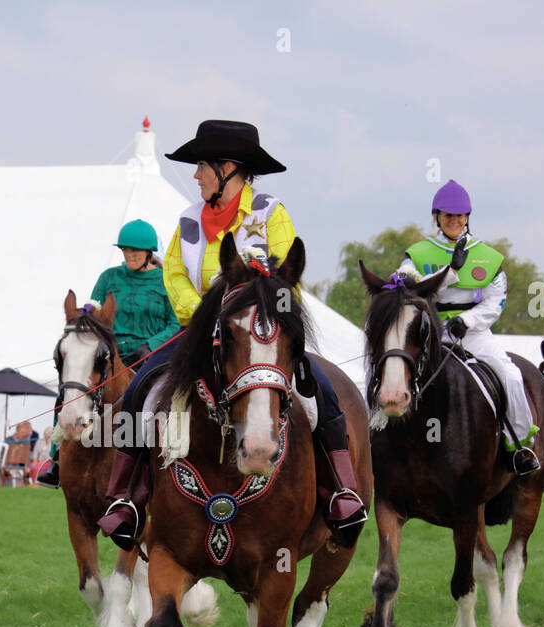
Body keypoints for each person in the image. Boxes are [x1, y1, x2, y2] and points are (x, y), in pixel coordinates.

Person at [97, 120, 367, 551]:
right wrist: (206, 313)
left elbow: (286, 280)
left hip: (261, 331)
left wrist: (247, 310)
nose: (196, 175)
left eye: (201, 166)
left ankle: (340, 491)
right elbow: (174, 274)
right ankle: (126, 499)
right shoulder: (188, 219)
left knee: (321, 392)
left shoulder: (270, 213)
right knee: (140, 393)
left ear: (228, 168)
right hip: (201, 332)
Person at [398, 180, 540, 475]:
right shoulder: (416, 255)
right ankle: (375, 434)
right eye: (448, 215)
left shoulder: (488, 257)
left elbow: (495, 301)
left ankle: (520, 446)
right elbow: (403, 290)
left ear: (467, 217)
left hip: (473, 334)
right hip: (429, 333)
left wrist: (467, 321)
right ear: (436, 216)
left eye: (460, 215)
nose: (455, 220)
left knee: (512, 376)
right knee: (387, 368)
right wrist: (449, 272)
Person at [37, 220, 182, 489]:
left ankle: (172, 458)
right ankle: (55, 460)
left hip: (149, 356)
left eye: (136, 251)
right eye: (126, 250)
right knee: (71, 388)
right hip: (110, 354)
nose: (130, 255)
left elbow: (175, 323)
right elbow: (93, 316)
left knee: (169, 400)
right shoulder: (109, 278)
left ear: (150, 253)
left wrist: (151, 344)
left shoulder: (165, 281)